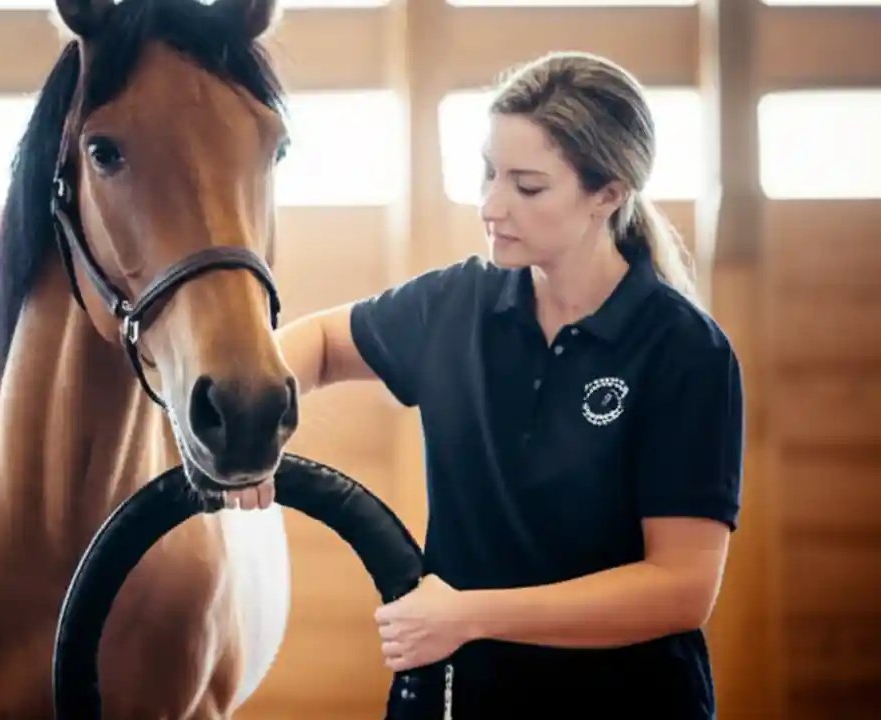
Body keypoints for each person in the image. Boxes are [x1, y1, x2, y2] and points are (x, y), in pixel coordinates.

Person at [224, 50, 744, 718]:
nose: (491, 205)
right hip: (459, 696)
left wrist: (468, 616)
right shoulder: (457, 304)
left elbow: (679, 587)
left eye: (528, 187)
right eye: (488, 172)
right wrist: (249, 429)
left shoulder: (685, 352)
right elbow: (321, 345)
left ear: (609, 194)